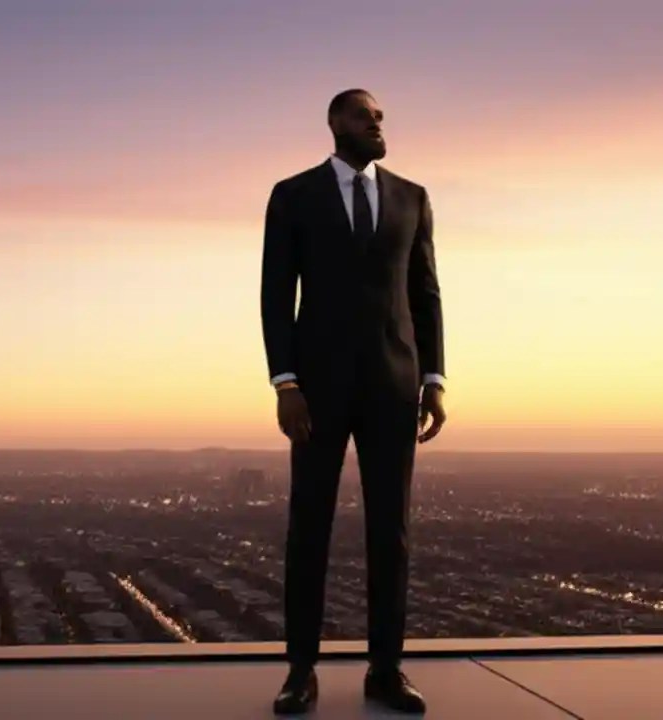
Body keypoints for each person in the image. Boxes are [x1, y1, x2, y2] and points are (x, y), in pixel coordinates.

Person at [260, 88, 447, 714]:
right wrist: (285, 383)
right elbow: (274, 295)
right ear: (336, 122)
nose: (378, 122)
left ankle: (386, 670)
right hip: (316, 389)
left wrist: (435, 380)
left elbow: (426, 295)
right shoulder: (293, 195)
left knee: (390, 531)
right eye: (366, 114)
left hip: (395, 386)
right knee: (307, 526)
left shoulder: (412, 198)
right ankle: (300, 671)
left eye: (381, 116)